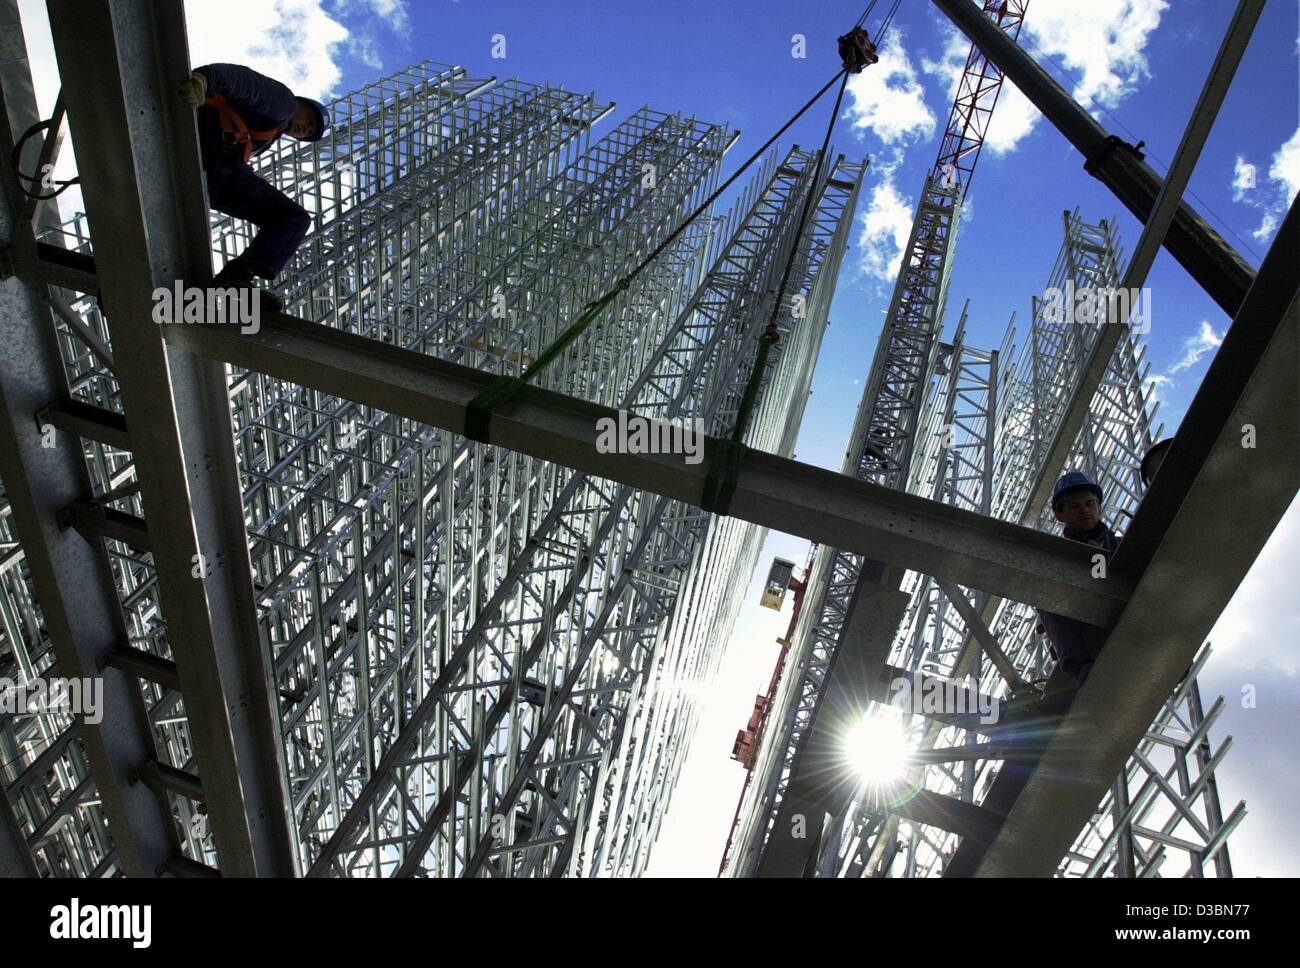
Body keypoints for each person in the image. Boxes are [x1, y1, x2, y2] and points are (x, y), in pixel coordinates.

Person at [178, 63, 331, 313]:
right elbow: (244, 82)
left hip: (214, 170)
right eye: (310, 120)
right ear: (301, 104)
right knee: (292, 218)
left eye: (309, 132)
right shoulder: (283, 103)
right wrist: (204, 80)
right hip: (209, 145)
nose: (305, 129)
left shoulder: (269, 134)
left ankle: (232, 280)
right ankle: (237, 276)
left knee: (292, 219)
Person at [1036, 470, 1120, 687]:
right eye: (1075, 506)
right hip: (1086, 634)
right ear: (1059, 515)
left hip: (1129, 620)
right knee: (1041, 587)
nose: (1085, 510)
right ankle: (1079, 666)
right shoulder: (1056, 564)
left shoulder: (1123, 548)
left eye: (1089, 503)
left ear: (1099, 507)